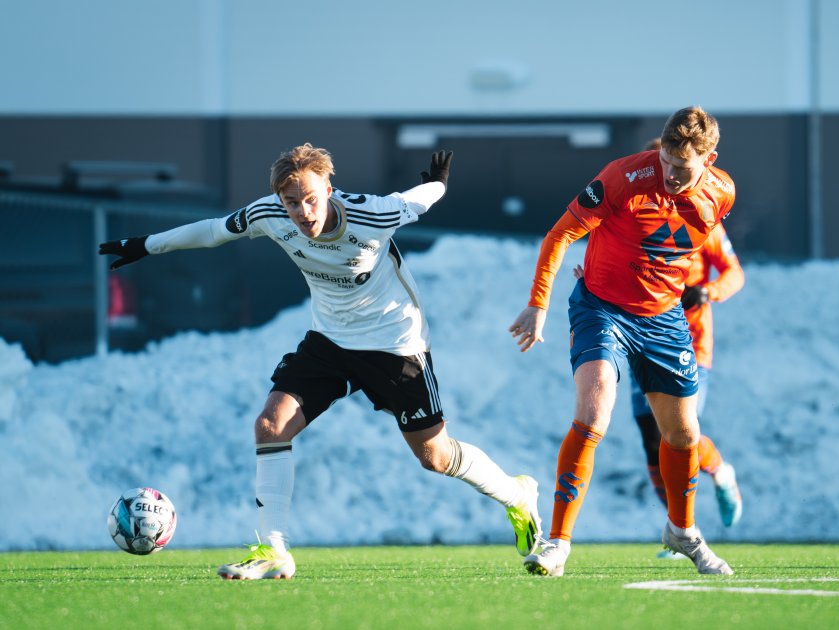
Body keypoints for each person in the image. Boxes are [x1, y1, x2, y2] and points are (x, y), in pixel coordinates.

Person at [99, 144, 542, 579]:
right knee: (271, 425)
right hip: (329, 340)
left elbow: (414, 201)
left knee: (435, 457)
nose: (302, 211)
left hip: (395, 345)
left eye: (310, 198)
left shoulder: (371, 214)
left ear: (329, 187)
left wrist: (439, 186)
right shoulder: (268, 215)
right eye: (292, 202)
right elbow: (216, 230)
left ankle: (517, 494)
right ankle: (273, 550)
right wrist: (145, 245)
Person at [510, 106, 736, 577]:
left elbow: (676, 252)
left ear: (710, 159)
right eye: (667, 164)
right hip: (601, 310)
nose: (672, 176)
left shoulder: (722, 193)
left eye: (684, 169)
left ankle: (682, 530)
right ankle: (557, 542)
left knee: (684, 435)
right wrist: (538, 303)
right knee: (593, 417)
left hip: (664, 320)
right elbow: (560, 234)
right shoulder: (623, 176)